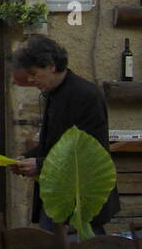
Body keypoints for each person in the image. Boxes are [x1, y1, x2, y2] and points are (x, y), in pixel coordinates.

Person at [10, 35, 119, 231]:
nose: (31, 79)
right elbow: (53, 144)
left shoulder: (86, 95)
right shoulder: (54, 93)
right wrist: (26, 158)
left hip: (82, 201)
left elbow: (89, 152)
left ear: (51, 66)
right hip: (55, 197)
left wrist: (40, 164)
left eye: (34, 73)